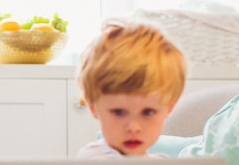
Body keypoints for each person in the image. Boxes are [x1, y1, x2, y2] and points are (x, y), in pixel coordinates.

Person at [76, 20, 187, 159]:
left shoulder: (161, 160)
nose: (133, 127)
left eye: (148, 112)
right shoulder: (94, 158)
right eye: (119, 112)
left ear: (170, 107)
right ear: (92, 106)